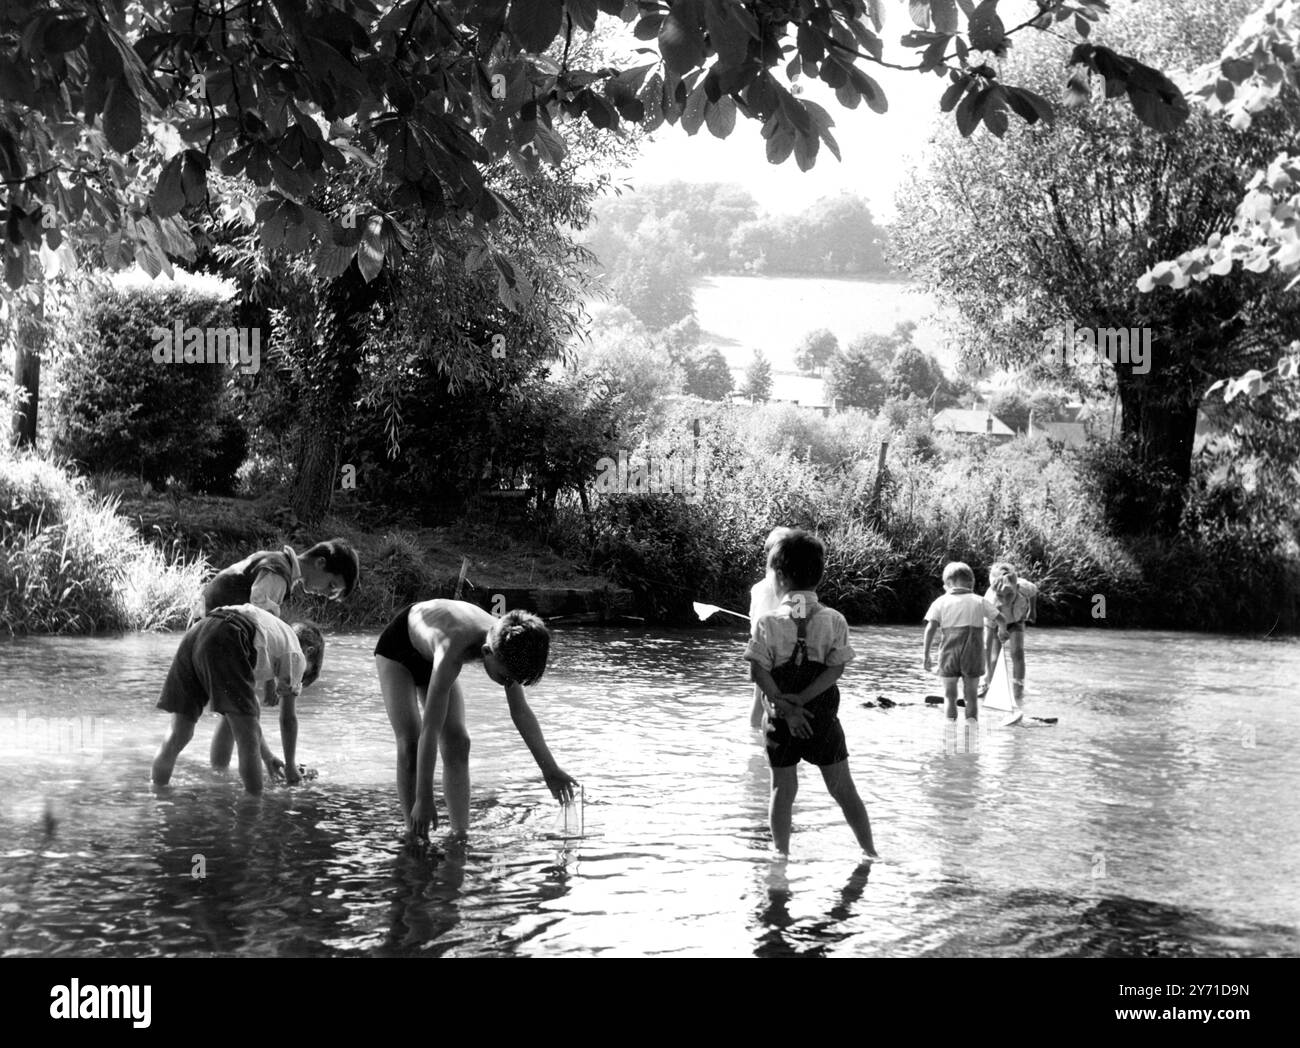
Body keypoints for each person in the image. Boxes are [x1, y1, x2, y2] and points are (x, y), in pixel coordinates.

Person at [374, 600, 578, 841]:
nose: (507, 683)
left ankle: (460, 835)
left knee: (459, 742)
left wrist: (550, 769)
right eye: (504, 678)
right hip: (398, 650)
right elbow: (430, 729)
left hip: (434, 652)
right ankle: (415, 834)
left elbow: (520, 712)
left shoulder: (508, 644)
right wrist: (424, 796)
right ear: (486, 653)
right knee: (410, 743)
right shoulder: (454, 649)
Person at [745, 530, 878, 859]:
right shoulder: (834, 621)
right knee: (843, 789)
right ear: (819, 576)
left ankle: (781, 856)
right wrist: (804, 701)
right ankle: (869, 852)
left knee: (782, 789)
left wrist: (785, 704)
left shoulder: (766, 623)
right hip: (822, 720)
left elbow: (757, 672)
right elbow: (836, 670)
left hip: (780, 720)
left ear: (779, 577)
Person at [152, 605, 325, 793]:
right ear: (308, 651)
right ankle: (253, 808)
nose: (293, 682)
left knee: (179, 733)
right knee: (247, 738)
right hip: (228, 634)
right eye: (302, 676)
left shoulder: (272, 636)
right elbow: (288, 719)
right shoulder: (296, 654)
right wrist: (291, 767)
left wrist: (267, 757)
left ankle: (158, 793)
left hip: (198, 631)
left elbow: (248, 714)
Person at [192, 539, 360, 621]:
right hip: (208, 628)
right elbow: (257, 606)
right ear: (320, 562)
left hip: (204, 623)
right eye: (331, 586)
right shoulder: (280, 572)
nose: (325, 594)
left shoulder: (279, 560)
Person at [922, 562, 998, 722]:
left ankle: (950, 730)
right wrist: (1004, 631)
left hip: (949, 653)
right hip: (973, 654)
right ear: (971, 583)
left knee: (949, 695)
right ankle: (971, 731)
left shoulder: (940, 602)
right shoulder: (979, 601)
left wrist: (926, 655)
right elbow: (1000, 618)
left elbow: (930, 629)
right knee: (971, 696)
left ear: (948, 584)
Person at [748, 526, 793, 731]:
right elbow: (798, 619)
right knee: (772, 697)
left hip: (763, 650)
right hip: (778, 651)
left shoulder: (758, 588)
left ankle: (755, 737)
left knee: (760, 697)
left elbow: (753, 621)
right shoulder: (789, 588)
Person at [979, 562, 1038, 706]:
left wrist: (1032, 609)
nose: (1005, 600)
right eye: (1001, 595)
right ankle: (989, 683)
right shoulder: (990, 601)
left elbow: (1034, 592)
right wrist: (1002, 630)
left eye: (1010, 594)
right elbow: (987, 647)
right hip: (995, 623)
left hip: (1016, 620)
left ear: (1017, 588)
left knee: (1017, 652)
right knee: (994, 656)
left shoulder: (1024, 587)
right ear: (995, 592)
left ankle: (1018, 689)